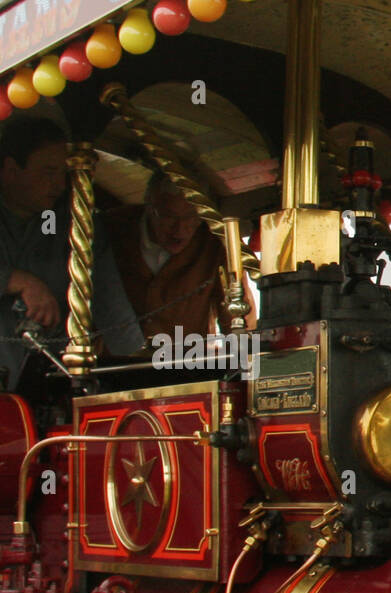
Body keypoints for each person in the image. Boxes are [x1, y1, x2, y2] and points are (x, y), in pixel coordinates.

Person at [0, 116, 143, 389]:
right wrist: (17, 280)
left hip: (48, 384)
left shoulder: (76, 221)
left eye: (62, 173)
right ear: (10, 169)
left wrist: (142, 367)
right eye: (48, 172)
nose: (60, 184)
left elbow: (110, 302)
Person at [106, 171, 254, 345]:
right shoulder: (112, 229)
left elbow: (238, 315)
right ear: (149, 206)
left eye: (191, 218)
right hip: (112, 364)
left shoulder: (216, 241)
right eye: (169, 217)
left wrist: (244, 361)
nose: (180, 230)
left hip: (189, 365)